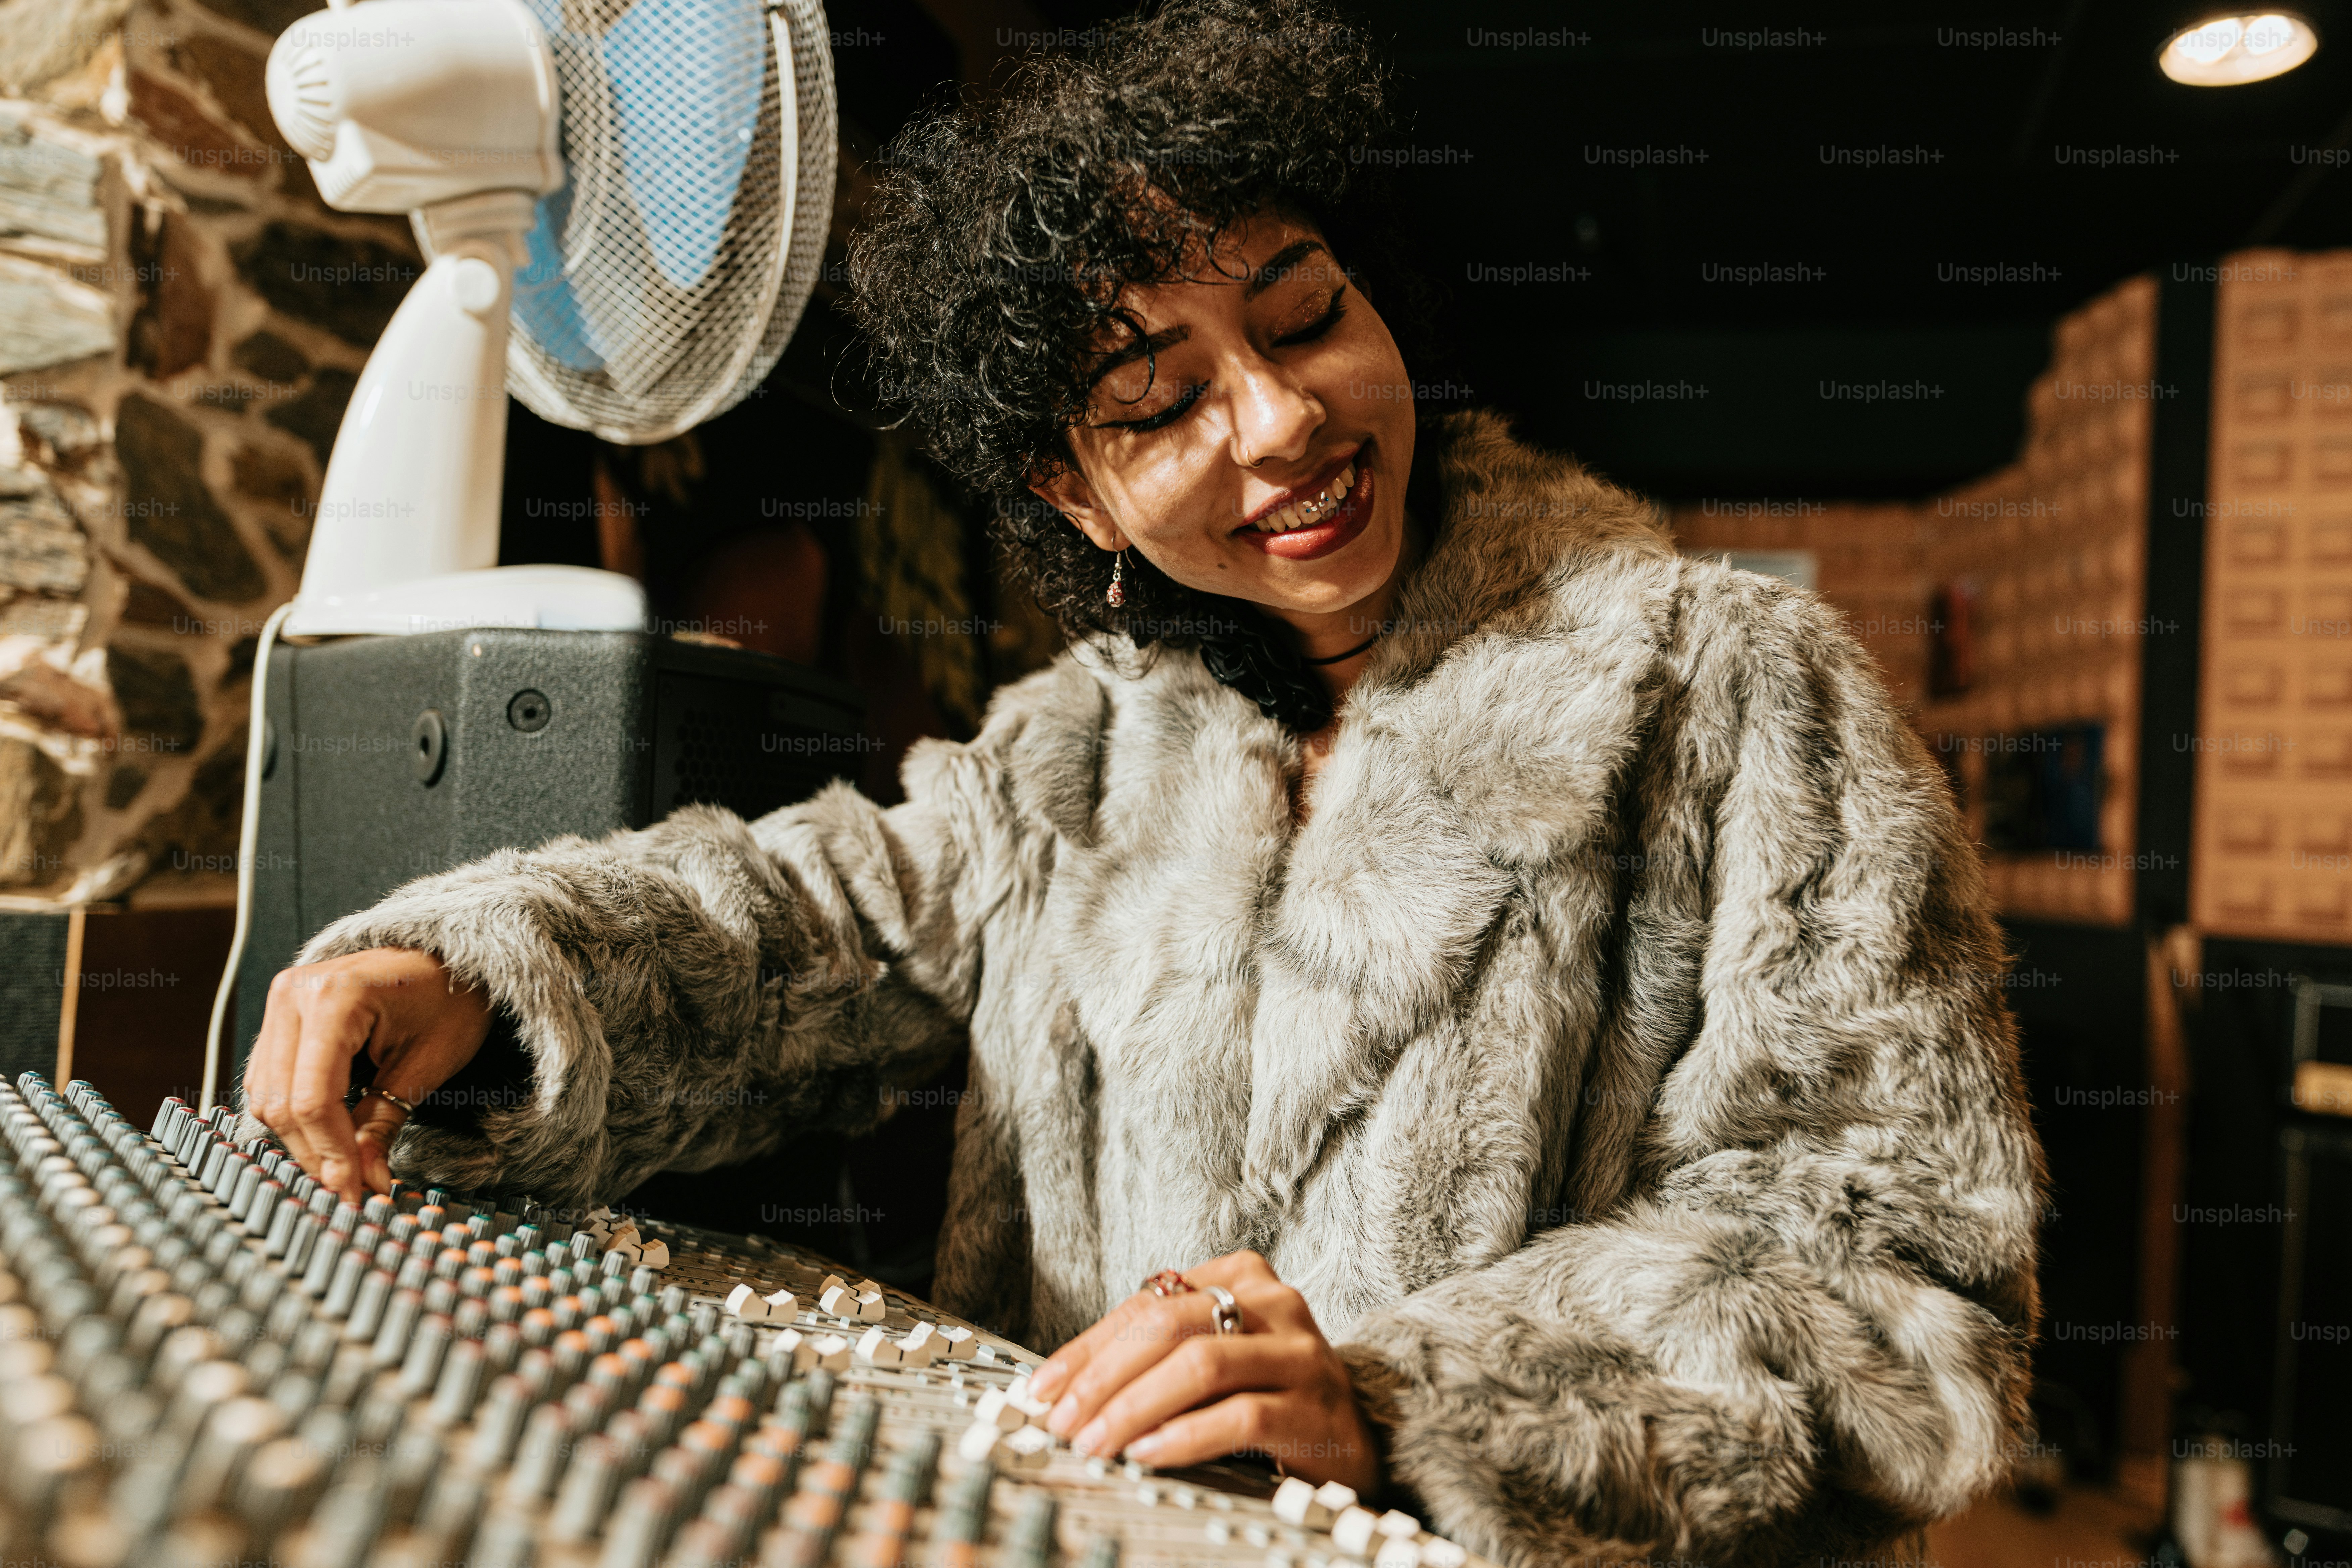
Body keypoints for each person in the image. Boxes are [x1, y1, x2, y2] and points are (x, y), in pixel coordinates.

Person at [241, 2, 2047, 1561]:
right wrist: (472, 974)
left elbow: (1897, 1284)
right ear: (1072, 498)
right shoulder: (1084, 749)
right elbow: (808, 919)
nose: (1276, 423)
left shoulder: (1727, 681)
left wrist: (1402, 1401)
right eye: (1156, 401)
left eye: (1304, 315)